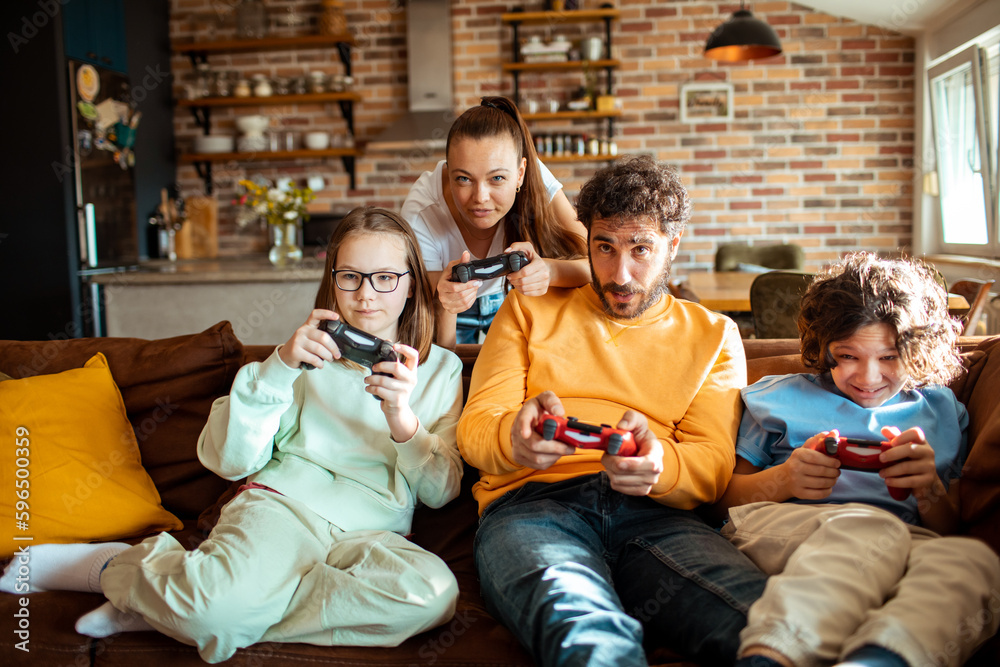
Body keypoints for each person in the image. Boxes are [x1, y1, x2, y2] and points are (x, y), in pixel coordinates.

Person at [0, 207, 465, 664]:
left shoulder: (441, 370)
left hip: (372, 533)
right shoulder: (301, 355)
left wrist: (402, 418)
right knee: (216, 608)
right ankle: (114, 569)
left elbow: (441, 491)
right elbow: (230, 461)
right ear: (333, 281)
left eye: (385, 277)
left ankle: (197, 605)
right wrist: (281, 366)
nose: (366, 295)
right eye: (350, 277)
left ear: (410, 284)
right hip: (284, 508)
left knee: (433, 596)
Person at [457, 155, 768, 666]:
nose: (620, 275)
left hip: (659, 516)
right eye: (604, 248)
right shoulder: (528, 310)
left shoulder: (714, 335)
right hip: (532, 510)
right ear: (587, 241)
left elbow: (712, 465)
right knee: (585, 633)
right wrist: (513, 442)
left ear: (674, 244)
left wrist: (658, 466)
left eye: (640, 249)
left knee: (759, 623)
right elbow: (475, 429)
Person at [717, 253, 1000, 667]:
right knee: (867, 529)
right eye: (847, 356)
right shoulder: (777, 396)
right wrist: (784, 479)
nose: (868, 378)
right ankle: (773, 655)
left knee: (972, 562)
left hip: (901, 536)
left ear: (918, 350)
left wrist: (929, 490)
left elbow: (950, 527)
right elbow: (722, 501)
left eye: (888, 358)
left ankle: (879, 659)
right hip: (779, 526)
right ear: (823, 349)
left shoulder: (941, 409)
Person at [401, 95, 589, 347]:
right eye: (463, 179)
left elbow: (596, 263)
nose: (480, 198)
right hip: (448, 309)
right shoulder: (421, 210)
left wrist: (550, 270)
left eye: (497, 178)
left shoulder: (535, 177)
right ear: (449, 170)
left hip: (512, 296)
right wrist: (446, 295)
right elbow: (439, 337)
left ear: (520, 174)